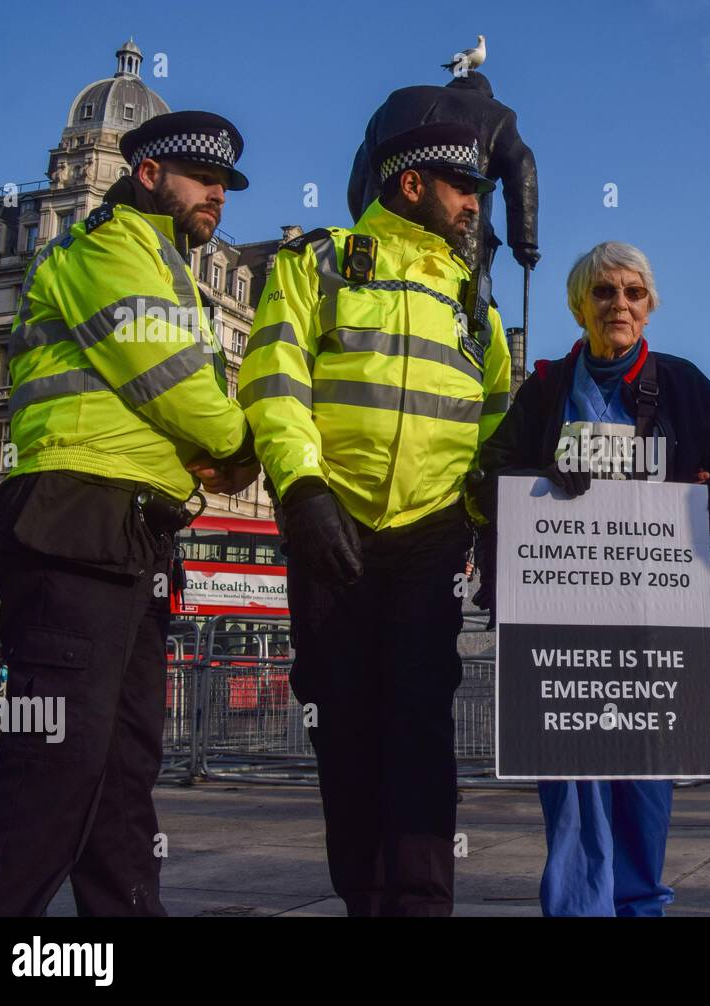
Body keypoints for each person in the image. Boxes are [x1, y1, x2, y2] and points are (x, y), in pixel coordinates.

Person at [0, 111, 257, 917]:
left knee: (124, 762)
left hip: (129, 529)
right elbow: (178, 386)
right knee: (57, 755)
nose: (218, 198)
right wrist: (241, 447)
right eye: (205, 179)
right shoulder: (106, 249)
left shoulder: (168, 271)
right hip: (74, 518)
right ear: (150, 173)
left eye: (227, 186)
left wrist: (220, 446)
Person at [239, 121, 511, 915]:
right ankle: (362, 896)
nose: (473, 206)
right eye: (464, 189)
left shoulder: (472, 298)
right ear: (412, 183)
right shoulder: (316, 262)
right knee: (344, 724)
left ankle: (422, 903)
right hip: (334, 527)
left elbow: (494, 421)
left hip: (431, 538)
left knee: (422, 727)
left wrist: (486, 520)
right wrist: (301, 490)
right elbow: (274, 378)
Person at [477, 240, 710, 916]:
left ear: (649, 306)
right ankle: (577, 908)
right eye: (603, 292)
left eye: (632, 292)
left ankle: (640, 903)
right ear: (579, 304)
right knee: (568, 772)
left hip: (658, 618)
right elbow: (489, 476)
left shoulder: (686, 388)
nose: (618, 304)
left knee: (646, 775)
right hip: (557, 618)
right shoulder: (544, 389)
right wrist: (540, 478)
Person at [347, 71, 539, 270]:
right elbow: (522, 167)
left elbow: (359, 180)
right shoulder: (499, 116)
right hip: (459, 240)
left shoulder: (395, 103)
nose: (473, 204)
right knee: (462, 293)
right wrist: (524, 242)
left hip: (376, 241)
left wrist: (363, 222)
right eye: (461, 188)